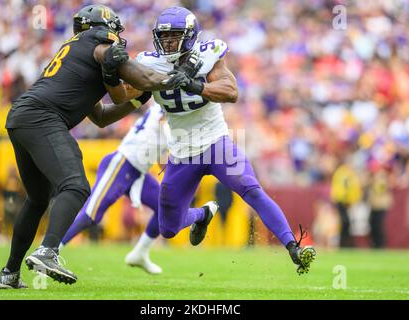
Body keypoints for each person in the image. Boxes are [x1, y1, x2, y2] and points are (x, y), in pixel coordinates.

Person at [0, 4, 190, 289]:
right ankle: (48, 251)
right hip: (42, 117)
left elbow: (99, 117)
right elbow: (135, 72)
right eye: (114, 32)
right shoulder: (97, 42)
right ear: (103, 27)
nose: (116, 37)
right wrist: (177, 80)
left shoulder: (78, 55)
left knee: (37, 199)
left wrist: (135, 100)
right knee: (76, 186)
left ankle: (9, 273)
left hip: (23, 117)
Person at [128, 6, 316, 275]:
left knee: (251, 189)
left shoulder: (208, 55)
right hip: (182, 153)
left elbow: (231, 92)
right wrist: (113, 73)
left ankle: (293, 247)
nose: (169, 42)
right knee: (169, 228)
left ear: (190, 35)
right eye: (164, 36)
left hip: (217, 145)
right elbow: (125, 97)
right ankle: (203, 214)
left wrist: (195, 85)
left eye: (175, 35)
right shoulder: (147, 63)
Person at [61, 103, 189, 274]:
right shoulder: (170, 107)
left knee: (165, 207)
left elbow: (161, 156)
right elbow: (163, 122)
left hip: (138, 172)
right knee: (92, 213)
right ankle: (50, 249)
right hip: (122, 163)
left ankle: (140, 253)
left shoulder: (171, 118)